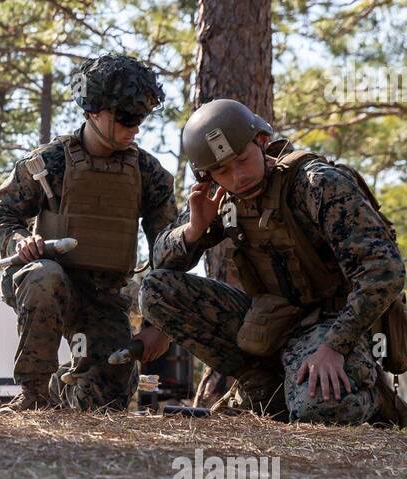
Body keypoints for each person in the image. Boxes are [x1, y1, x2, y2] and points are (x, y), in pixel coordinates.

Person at [138, 99, 406, 424]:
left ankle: (372, 396)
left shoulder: (315, 184)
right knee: (155, 290)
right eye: (222, 171)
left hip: (332, 323)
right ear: (207, 176)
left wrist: (336, 345)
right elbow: (161, 261)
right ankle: (265, 389)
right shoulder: (222, 199)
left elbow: (384, 271)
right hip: (272, 324)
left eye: (242, 160)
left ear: (261, 141)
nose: (237, 177)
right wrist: (195, 229)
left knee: (321, 409)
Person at [0, 53, 177, 411]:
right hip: (50, 284)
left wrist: (157, 325)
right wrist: (19, 241)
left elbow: (168, 253)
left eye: (142, 118)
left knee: (106, 401)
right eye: (127, 117)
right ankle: (33, 393)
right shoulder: (49, 163)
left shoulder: (149, 175)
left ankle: (65, 386)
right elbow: (0, 213)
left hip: (106, 299)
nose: (135, 127)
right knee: (44, 276)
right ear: (93, 111)